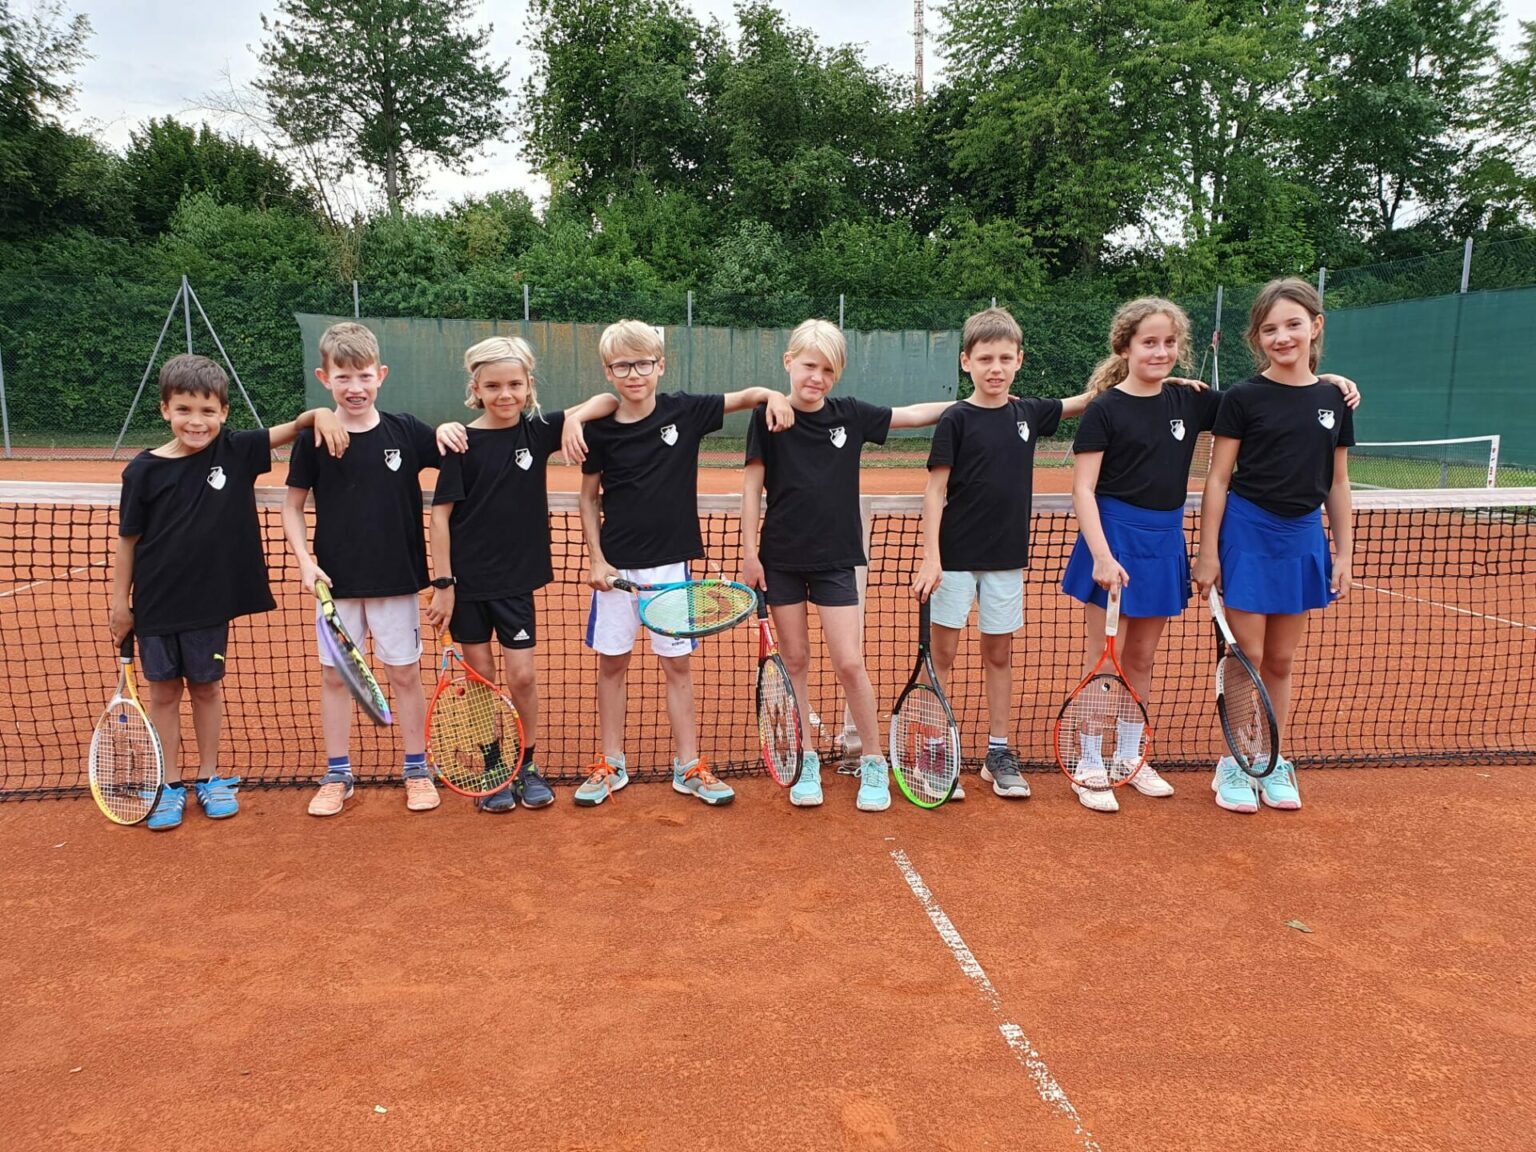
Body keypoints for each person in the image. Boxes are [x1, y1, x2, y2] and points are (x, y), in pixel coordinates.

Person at [110, 352, 345, 830]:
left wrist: (320, 413)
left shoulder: (234, 451)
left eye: (207, 411)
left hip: (208, 606)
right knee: (162, 695)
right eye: (184, 410)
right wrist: (120, 604)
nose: (196, 421)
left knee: (206, 689)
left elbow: (296, 425)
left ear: (223, 413)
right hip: (155, 604)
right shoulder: (142, 472)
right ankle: (171, 784)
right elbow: (127, 541)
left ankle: (210, 777)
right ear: (164, 410)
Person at [576, 319, 796, 808]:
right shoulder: (599, 428)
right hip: (615, 573)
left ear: (660, 365)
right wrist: (597, 558)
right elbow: (588, 499)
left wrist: (773, 396)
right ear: (608, 372)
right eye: (622, 366)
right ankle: (611, 763)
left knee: (677, 668)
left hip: (669, 572)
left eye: (643, 364)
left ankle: (688, 765)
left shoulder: (686, 410)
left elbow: (747, 396)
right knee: (612, 667)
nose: (634, 374)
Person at [744, 318, 953, 812]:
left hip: (837, 560)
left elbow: (913, 414)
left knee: (850, 662)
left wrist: (970, 404)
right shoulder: (768, 416)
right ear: (789, 363)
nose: (817, 377)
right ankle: (806, 760)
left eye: (828, 370)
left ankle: (876, 761)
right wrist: (749, 552)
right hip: (781, 560)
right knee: (794, 660)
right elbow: (753, 485)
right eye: (810, 366)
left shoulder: (851, 414)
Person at [912, 307, 1109, 801]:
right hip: (954, 560)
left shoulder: (1028, 413)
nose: (995, 367)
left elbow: (1086, 400)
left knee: (999, 654)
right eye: (985, 359)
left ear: (1019, 360)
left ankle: (998, 751)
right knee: (945, 655)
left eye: (1004, 358)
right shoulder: (956, 419)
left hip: (1006, 562)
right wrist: (930, 557)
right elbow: (935, 492)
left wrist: (1150, 371)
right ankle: (936, 750)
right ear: (966, 362)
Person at [426, 335, 618, 812]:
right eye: (493, 386)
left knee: (523, 675)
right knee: (483, 678)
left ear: (529, 385)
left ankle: (526, 763)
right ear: (476, 387)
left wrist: (572, 417)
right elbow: (440, 517)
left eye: (515, 383)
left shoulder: (537, 432)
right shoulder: (461, 443)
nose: (505, 394)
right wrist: (445, 586)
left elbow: (608, 399)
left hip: (515, 583)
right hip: (467, 586)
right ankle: (495, 766)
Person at [1193, 278, 1355, 814]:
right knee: (1247, 656)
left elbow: (1337, 482)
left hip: (1304, 536)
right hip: (1247, 530)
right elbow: (1217, 479)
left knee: (1282, 660)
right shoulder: (1242, 398)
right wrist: (1208, 551)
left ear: (1316, 326)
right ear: (1257, 338)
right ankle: (1237, 763)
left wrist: (1344, 553)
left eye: (1293, 324)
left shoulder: (1335, 398)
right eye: (1270, 329)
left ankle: (1273, 758)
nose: (1282, 337)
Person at [282, 321, 452, 818]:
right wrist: (305, 561)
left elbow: (458, 463)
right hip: (335, 584)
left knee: (403, 675)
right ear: (324, 377)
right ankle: (337, 774)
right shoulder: (314, 437)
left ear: (381, 375)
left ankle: (418, 769)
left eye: (363, 376)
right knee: (336, 680)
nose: (354, 388)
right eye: (343, 377)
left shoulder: (405, 430)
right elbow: (292, 506)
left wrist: (445, 429)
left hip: (397, 581)